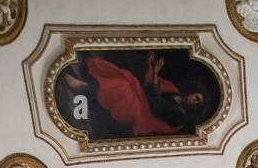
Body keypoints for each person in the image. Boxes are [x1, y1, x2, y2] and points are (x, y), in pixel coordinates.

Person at [61, 51, 212, 138]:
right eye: (196, 97)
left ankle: (83, 87)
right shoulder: (174, 90)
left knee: (123, 89)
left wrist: (155, 74)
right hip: (141, 101)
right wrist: (150, 66)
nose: (194, 100)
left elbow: (156, 104)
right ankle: (87, 81)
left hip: (140, 117)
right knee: (125, 77)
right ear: (192, 93)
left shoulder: (179, 116)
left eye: (197, 102)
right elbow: (148, 86)